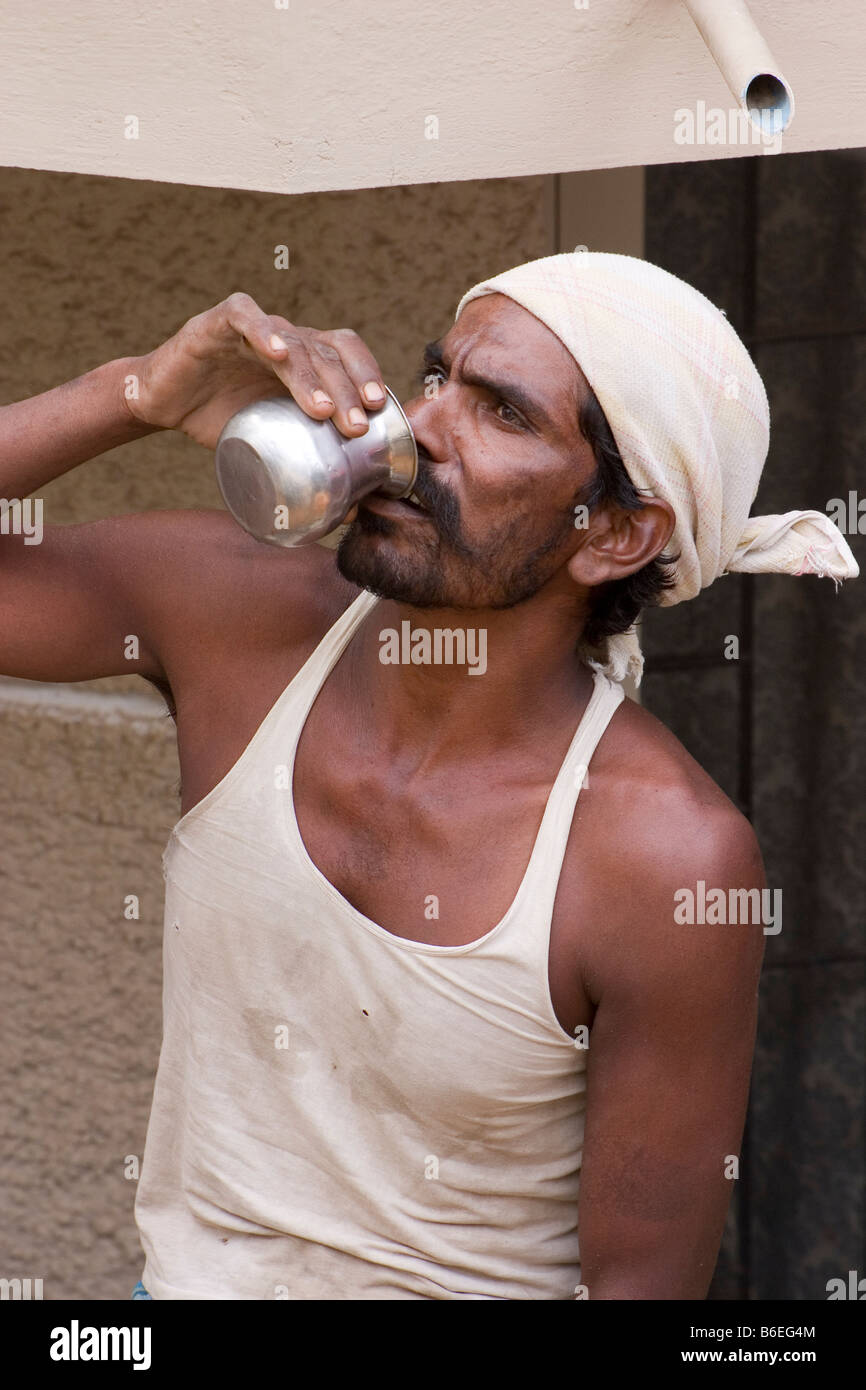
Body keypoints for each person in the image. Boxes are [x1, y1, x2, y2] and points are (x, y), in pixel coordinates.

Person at [0, 252, 856, 1300]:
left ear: (618, 533)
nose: (417, 428)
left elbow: (643, 1292)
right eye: (436, 376)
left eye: (500, 412)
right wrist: (136, 391)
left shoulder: (660, 855)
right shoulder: (238, 616)